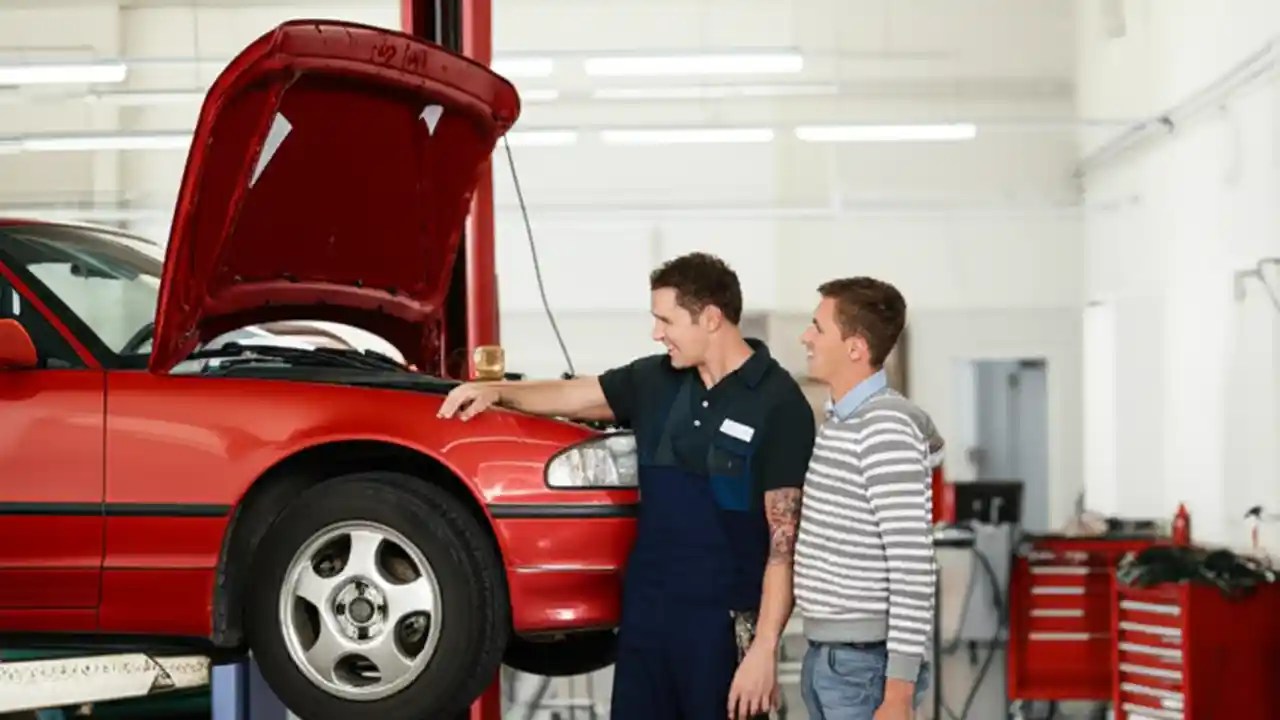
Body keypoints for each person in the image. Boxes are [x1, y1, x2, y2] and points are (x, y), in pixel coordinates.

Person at [437, 252, 816, 720]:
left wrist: (764, 650)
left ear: (711, 319)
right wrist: (498, 392)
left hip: (722, 632)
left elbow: (785, 546)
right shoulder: (655, 379)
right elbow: (577, 396)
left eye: (666, 320)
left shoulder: (779, 403)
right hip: (646, 620)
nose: (657, 333)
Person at [791, 277, 944, 720]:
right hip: (831, 656)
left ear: (856, 348)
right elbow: (934, 446)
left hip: (865, 668)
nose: (806, 337)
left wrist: (898, 692)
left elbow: (913, 565)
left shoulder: (885, 428)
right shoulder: (847, 420)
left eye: (818, 328)